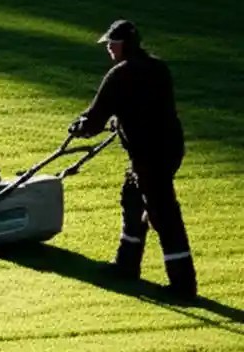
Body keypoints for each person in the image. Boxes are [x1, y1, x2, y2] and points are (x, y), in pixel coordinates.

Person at [68, 19, 196, 300]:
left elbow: (95, 116)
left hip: (149, 154)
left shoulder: (121, 74)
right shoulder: (158, 68)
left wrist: (80, 127)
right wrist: (119, 119)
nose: (109, 49)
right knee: (132, 197)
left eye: (112, 44)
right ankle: (127, 264)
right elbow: (149, 106)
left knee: (163, 213)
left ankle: (183, 286)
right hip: (170, 148)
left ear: (124, 44)